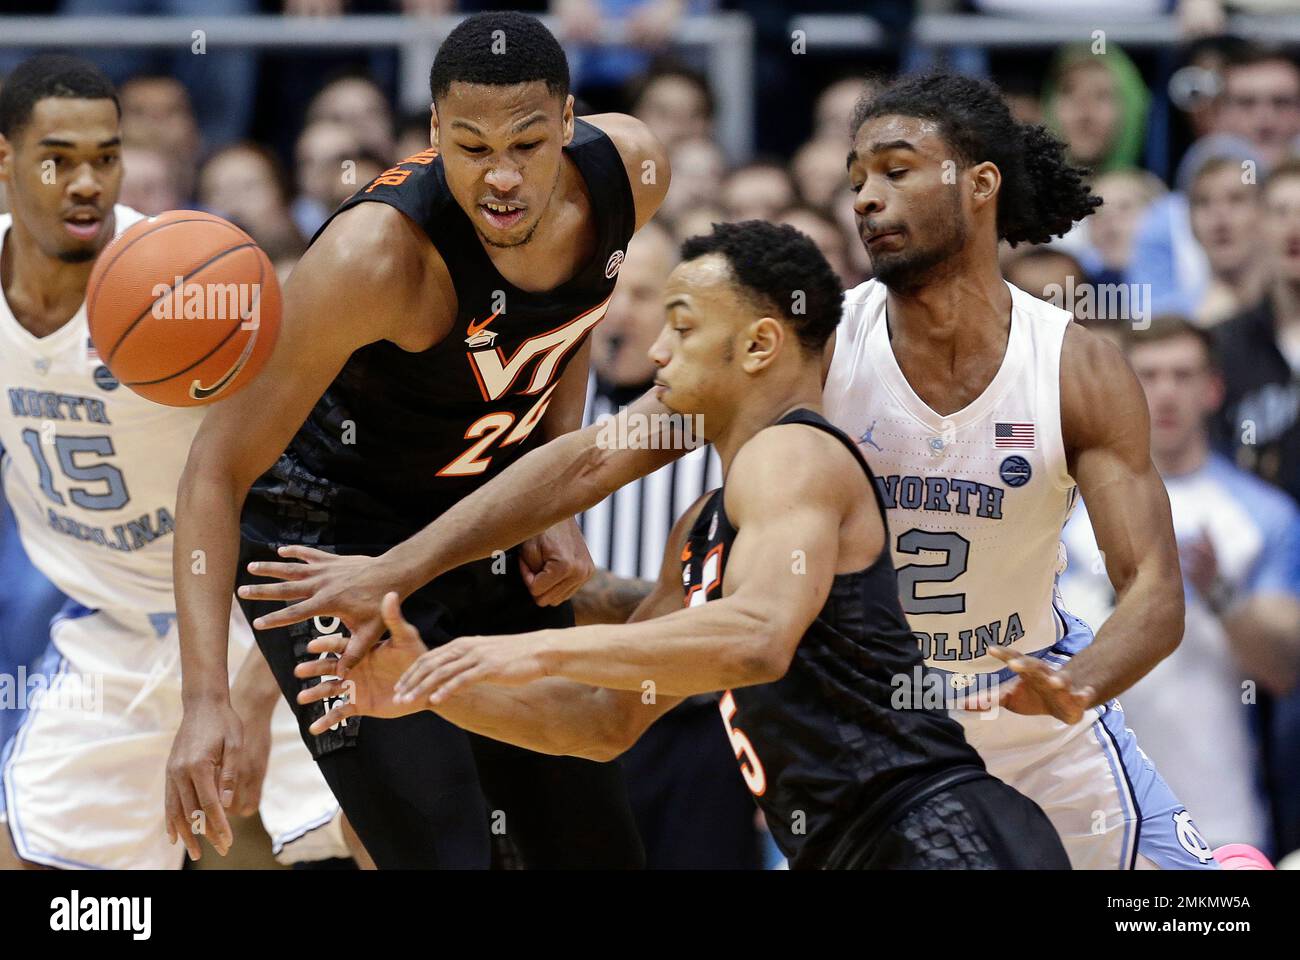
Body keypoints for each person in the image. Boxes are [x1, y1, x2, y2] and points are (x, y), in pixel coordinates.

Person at [244, 71, 1216, 871]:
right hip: (873, 771)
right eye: (855, 175)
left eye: (897, 170)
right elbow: (589, 467)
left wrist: (1076, 683)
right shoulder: (811, 357)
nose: (866, 195)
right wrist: (409, 587)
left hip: (1034, 729)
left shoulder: (1069, 362)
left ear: (979, 186)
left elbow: (1155, 597)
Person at [293, 220, 1072, 870]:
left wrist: (532, 651)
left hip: (930, 831)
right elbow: (600, 723)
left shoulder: (793, 455)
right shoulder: (705, 519)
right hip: (861, 848)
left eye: (685, 327)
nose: (659, 352)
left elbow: (759, 637)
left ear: (761, 345)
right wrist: (432, 687)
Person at [168, 12, 669, 870]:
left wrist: (547, 482)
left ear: (571, 122)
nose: (501, 176)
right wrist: (207, 699)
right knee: (445, 850)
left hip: (472, 515)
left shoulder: (631, 169)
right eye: (470, 146)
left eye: (528, 143)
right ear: (434, 133)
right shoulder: (375, 258)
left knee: (587, 844)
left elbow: (576, 313)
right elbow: (214, 471)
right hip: (334, 542)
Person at [0, 54, 347, 870]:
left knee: (366, 840)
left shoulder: (177, 282)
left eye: (106, 157)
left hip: (262, 611)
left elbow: (313, 483)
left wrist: (258, 683)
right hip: (114, 633)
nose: (86, 181)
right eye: (58, 158)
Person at [1059, 315, 1300, 852]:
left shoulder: (1265, 514)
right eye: (1149, 375)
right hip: (1085, 808)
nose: (1165, 393)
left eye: (1183, 375)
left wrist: (1220, 594)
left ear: (1213, 389)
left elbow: (1285, 672)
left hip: (1219, 808)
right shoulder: (1065, 505)